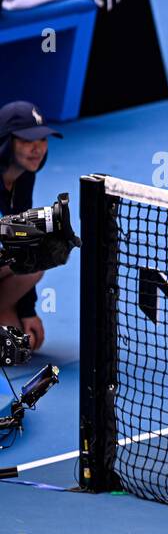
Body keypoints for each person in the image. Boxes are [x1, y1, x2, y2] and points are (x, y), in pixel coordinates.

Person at [0, 101, 63, 352]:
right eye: (27, 141)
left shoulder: (24, 176)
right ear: (7, 142)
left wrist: (27, 312)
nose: (37, 149)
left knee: (21, 347)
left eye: (42, 140)